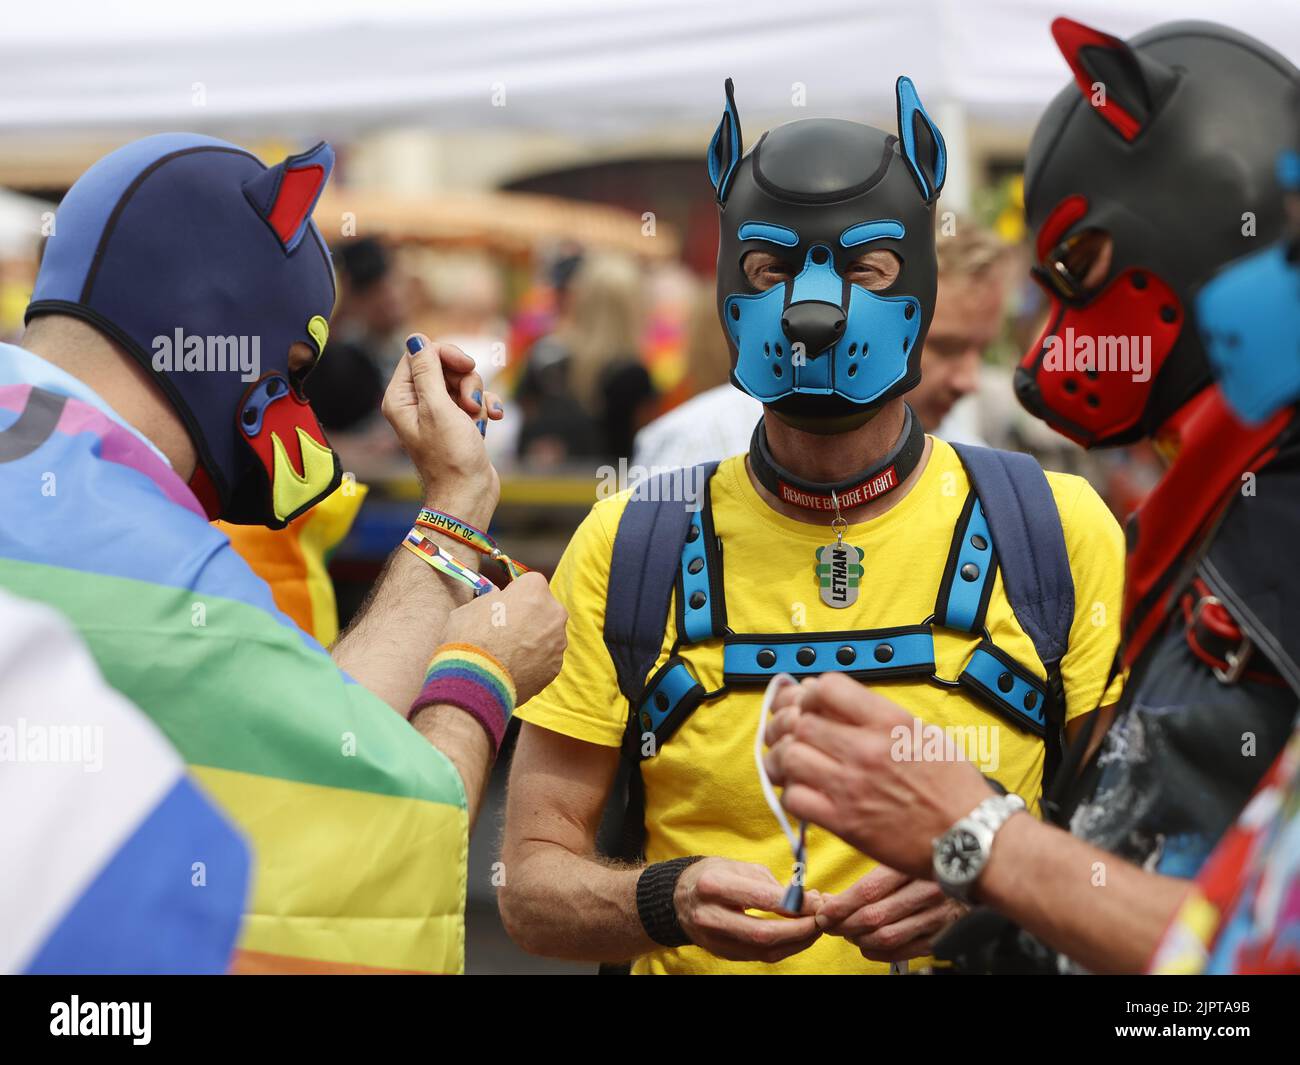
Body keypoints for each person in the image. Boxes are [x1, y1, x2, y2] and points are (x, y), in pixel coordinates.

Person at [498, 76, 1125, 974]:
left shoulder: (1055, 532)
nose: (813, 307)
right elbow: (528, 890)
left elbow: (1141, 856)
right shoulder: (631, 543)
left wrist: (996, 877)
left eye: (866, 266)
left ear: (919, 279)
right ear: (730, 282)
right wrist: (664, 899)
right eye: (770, 267)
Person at [760, 17, 1300, 975]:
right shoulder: (1224, 501)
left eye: (1081, 270)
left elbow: (1260, 946)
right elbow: (1149, 836)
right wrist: (992, 884)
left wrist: (978, 837)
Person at [0, 133, 567, 973]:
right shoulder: (155, 564)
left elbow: (304, 724)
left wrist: (454, 506)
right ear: (215, 314)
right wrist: (480, 676)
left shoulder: (65, 483)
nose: (296, 414)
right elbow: (352, 807)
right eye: (293, 370)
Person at [633, 220, 1011, 468]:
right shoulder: (700, 443)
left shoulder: (969, 463)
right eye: (947, 347)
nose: (969, 381)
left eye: (982, 350)